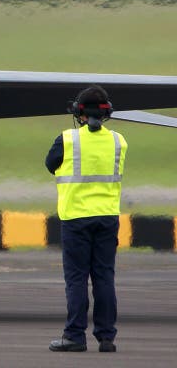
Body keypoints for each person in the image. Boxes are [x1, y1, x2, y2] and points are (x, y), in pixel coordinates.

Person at [46, 85, 127, 353]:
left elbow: (50, 164)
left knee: (77, 278)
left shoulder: (67, 139)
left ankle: (74, 336)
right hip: (107, 217)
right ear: (106, 113)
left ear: (79, 113)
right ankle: (106, 338)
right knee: (104, 276)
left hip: (76, 218)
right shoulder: (119, 141)